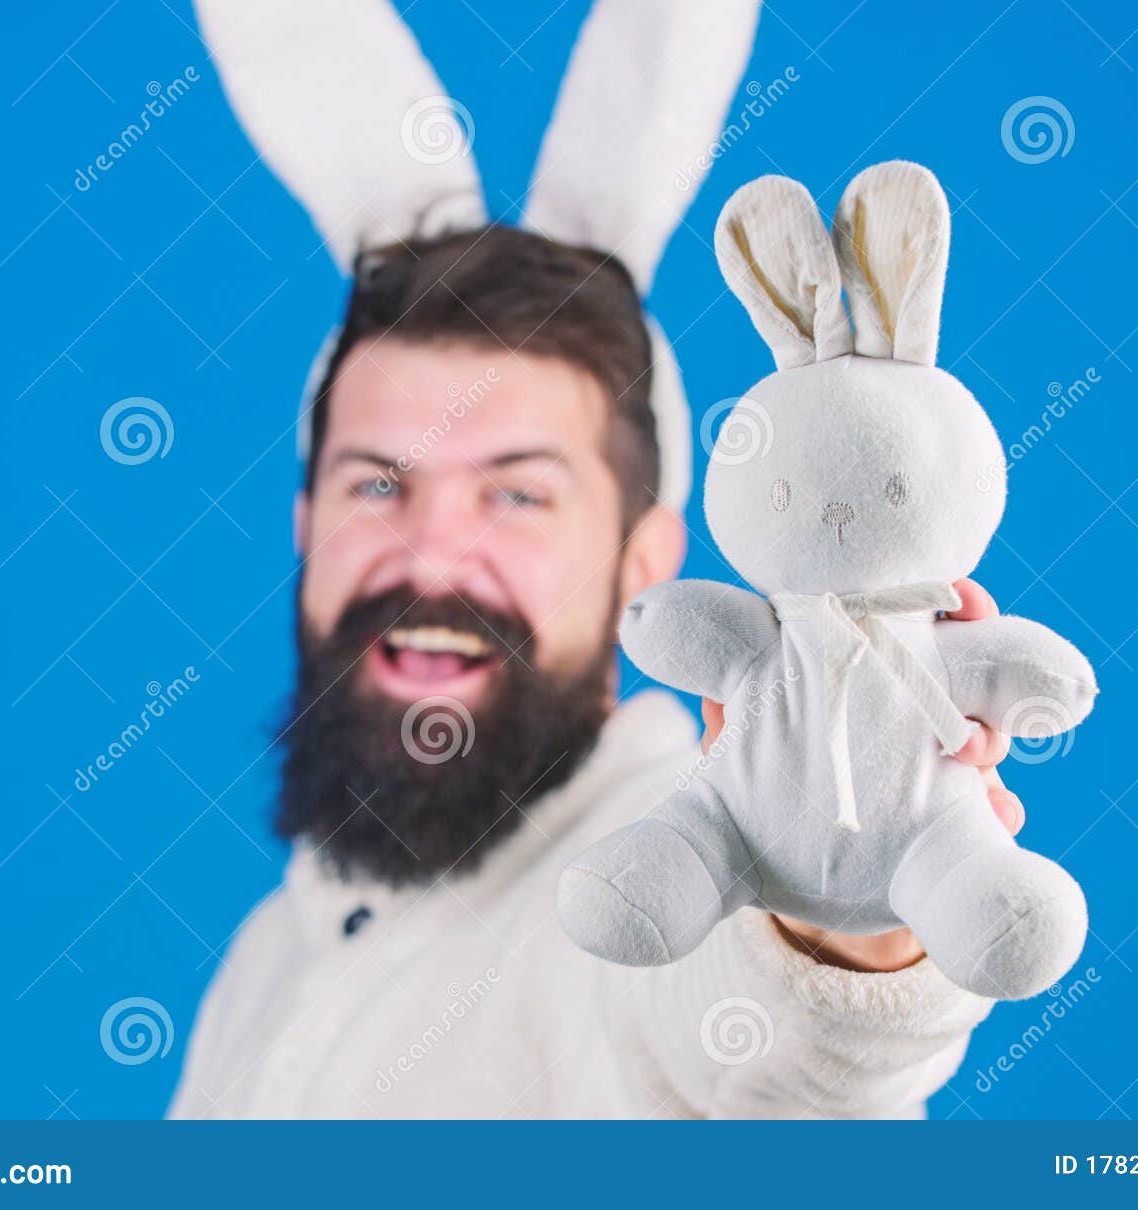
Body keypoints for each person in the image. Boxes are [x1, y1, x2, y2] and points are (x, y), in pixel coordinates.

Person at [168, 222, 1025, 1118]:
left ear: (644, 559)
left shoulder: (675, 874)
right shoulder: (267, 954)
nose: (432, 559)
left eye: (518, 494)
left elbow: (768, 1061)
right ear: (306, 524)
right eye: (378, 486)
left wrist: (833, 905)